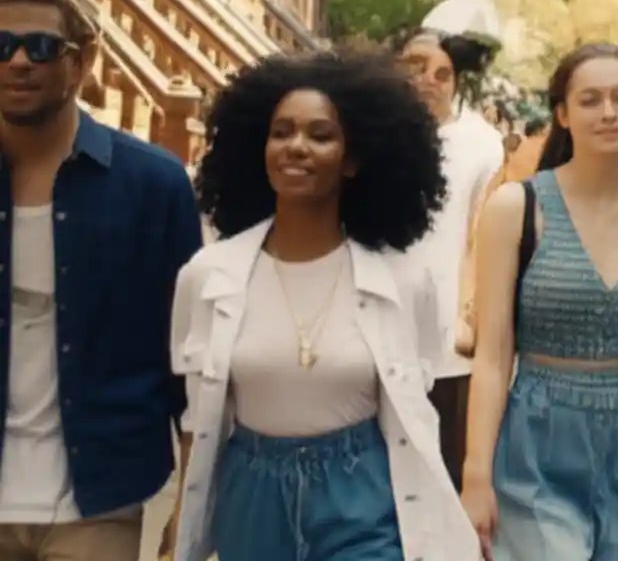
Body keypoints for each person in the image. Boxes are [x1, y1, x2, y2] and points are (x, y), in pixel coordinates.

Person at [169, 53, 479, 561]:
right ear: (259, 147)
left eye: (320, 135)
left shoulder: (403, 281)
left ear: (353, 158)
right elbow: (196, 420)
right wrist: (184, 518)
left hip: (362, 495)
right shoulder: (209, 276)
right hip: (251, 496)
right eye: (282, 131)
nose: (297, 146)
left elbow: (411, 405)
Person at [0, 0, 203, 561]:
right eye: (1, 46)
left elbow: (188, 362)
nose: (17, 62)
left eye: (40, 47)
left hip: (100, 499)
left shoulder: (154, 185)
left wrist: (191, 503)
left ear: (81, 62)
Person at [462, 43, 618, 560]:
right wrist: (476, 473)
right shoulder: (516, 209)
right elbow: (493, 357)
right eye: (590, 100)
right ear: (563, 114)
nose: (609, 112)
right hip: (538, 444)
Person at [398, 30, 505, 489]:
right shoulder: (371, 133)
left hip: (448, 342)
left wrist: (475, 317)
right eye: (417, 68)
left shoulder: (481, 144)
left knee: (446, 478)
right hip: (381, 332)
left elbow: (485, 236)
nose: (429, 81)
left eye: (443, 74)